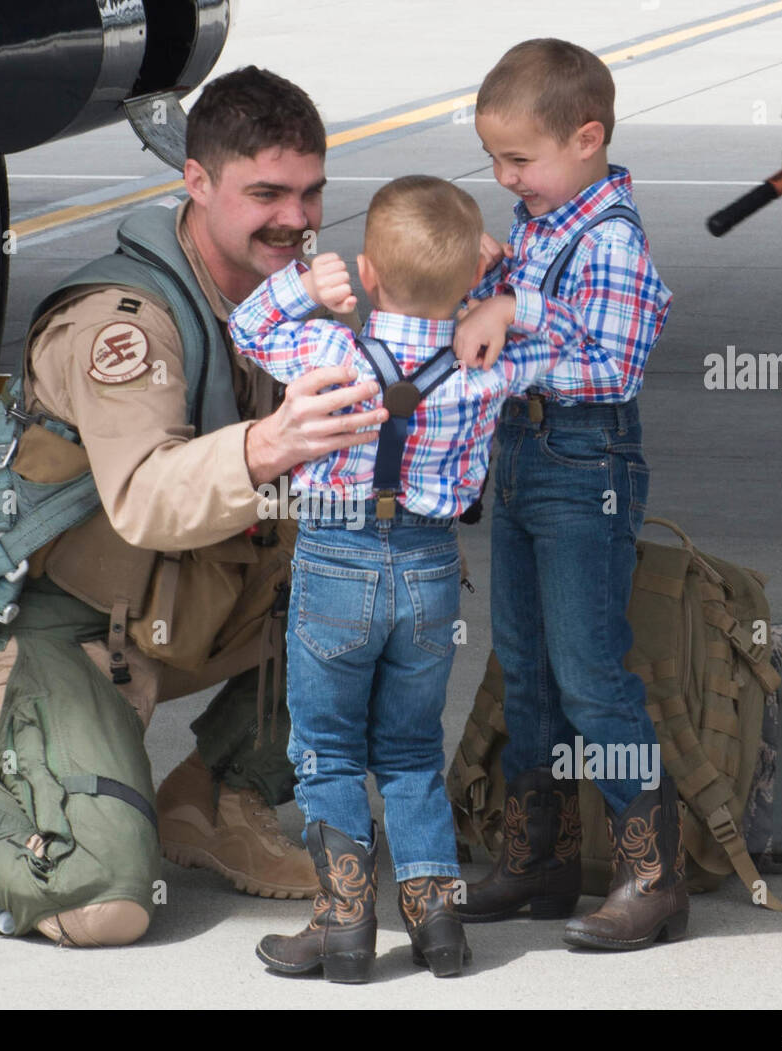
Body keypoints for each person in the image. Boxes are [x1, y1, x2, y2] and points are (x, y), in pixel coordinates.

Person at [0, 67, 387, 947]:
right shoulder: (120, 326)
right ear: (196, 183)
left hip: (181, 601)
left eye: (312, 191)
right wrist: (269, 446)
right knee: (99, 891)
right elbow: (144, 498)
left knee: (381, 578)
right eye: (267, 193)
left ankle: (220, 798)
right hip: (62, 627)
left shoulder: (277, 305)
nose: (297, 217)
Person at [230, 175, 546, 982]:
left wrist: (303, 284)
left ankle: (343, 924)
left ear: (368, 274)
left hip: (336, 558)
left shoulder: (329, 348)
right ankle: (437, 922)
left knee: (328, 750)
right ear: (464, 280)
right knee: (410, 748)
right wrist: (498, 292)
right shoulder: (484, 363)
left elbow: (247, 325)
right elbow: (569, 338)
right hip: (430, 566)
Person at [452, 39, 682, 950]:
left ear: (587, 138)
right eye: (497, 160)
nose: (508, 178)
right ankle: (538, 856)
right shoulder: (541, 223)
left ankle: (650, 875)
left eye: (521, 160)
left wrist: (521, 312)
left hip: (585, 465)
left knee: (592, 674)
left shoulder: (611, 236)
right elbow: (499, 326)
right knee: (526, 667)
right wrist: (486, 279)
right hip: (523, 454)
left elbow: (612, 364)